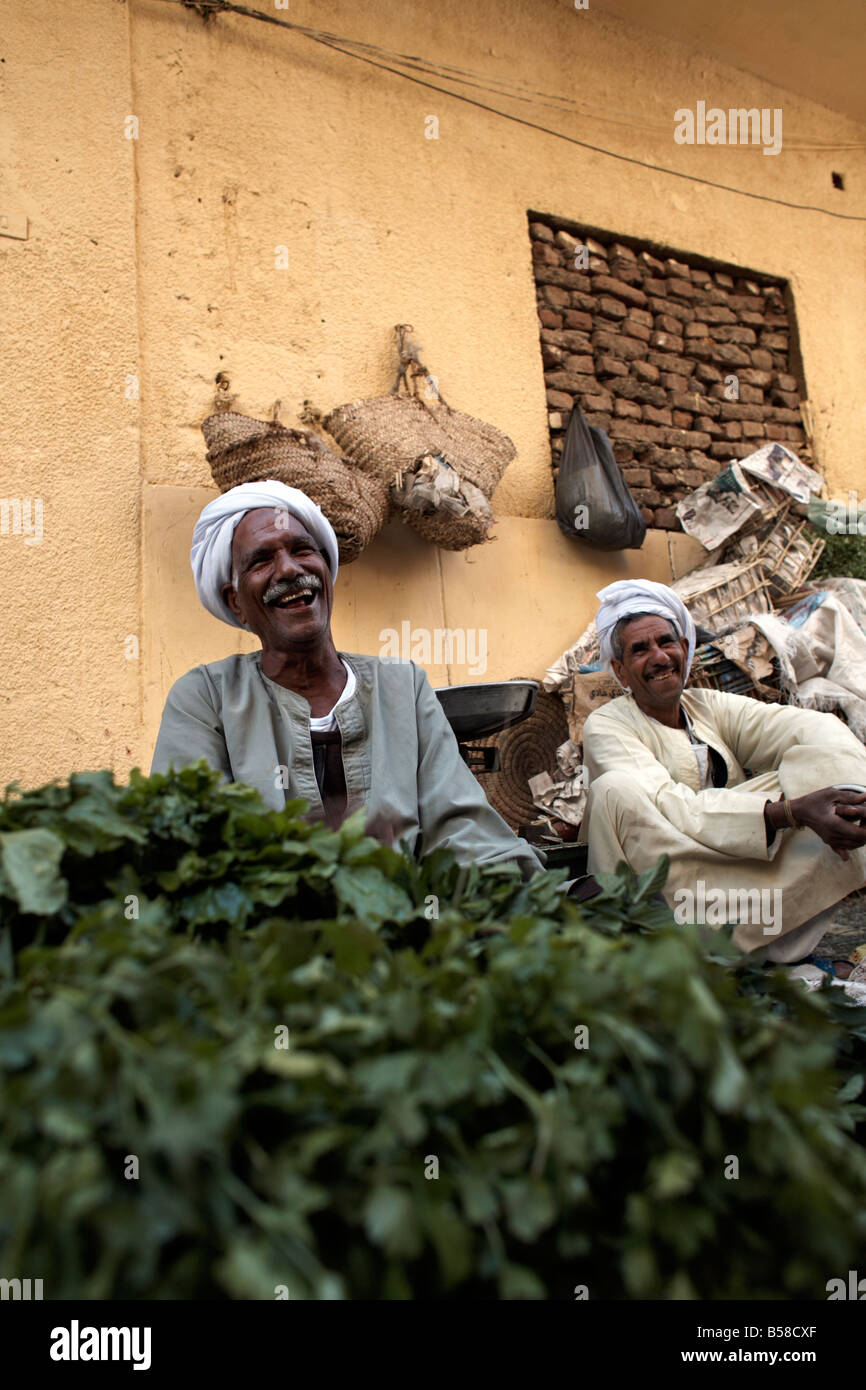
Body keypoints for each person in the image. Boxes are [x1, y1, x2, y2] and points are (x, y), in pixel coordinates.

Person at [151, 479, 542, 878]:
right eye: (261, 560)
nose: (289, 568)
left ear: (326, 569)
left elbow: (466, 834)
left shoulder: (402, 687)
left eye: (302, 549)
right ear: (236, 603)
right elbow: (188, 853)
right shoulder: (207, 698)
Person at [578, 578, 866, 963]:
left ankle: (755, 940)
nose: (659, 657)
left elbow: (809, 729)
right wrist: (788, 812)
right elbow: (669, 808)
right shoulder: (606, 724)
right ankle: (665, 941)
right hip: (667, 875)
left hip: (730, 866)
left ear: (684, 648)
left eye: (666, 642)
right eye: (640, 650)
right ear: (620, 669)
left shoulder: (708, 706)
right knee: (616, 791)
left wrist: (846, 795)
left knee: (820, 751)